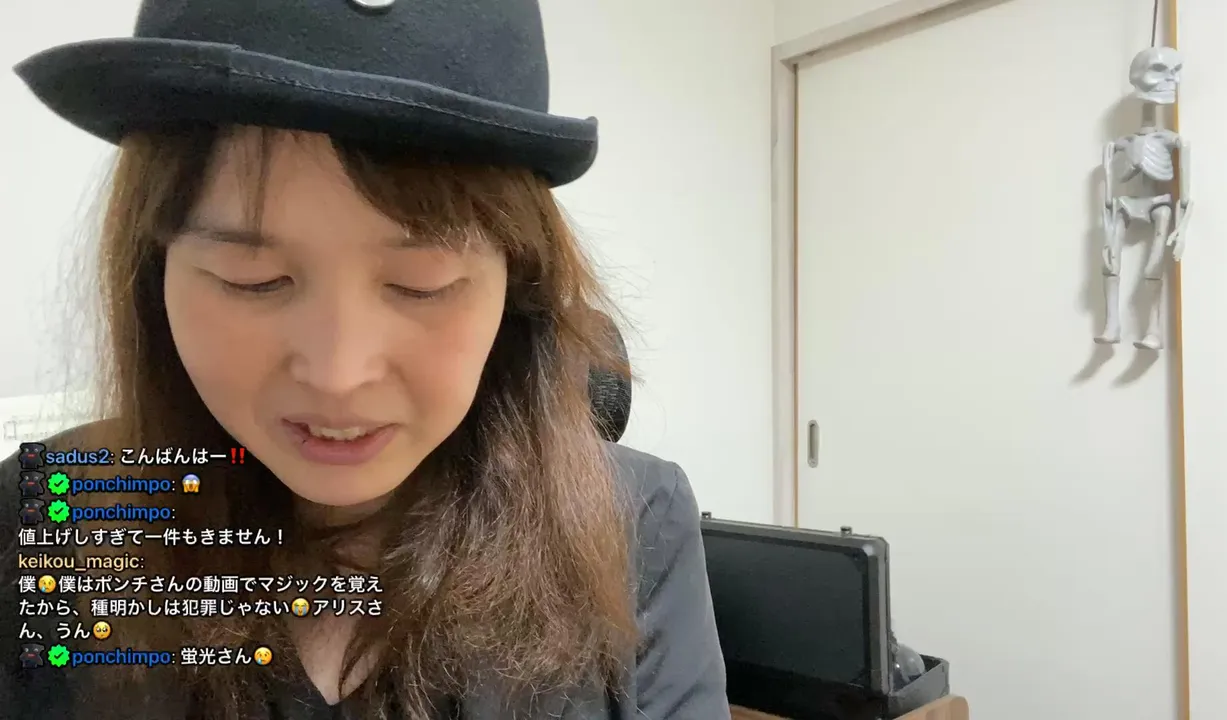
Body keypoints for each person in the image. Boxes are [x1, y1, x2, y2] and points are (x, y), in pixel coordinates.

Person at [0, 0, 729, 718]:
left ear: (517, 287)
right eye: (252, 280)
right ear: (153, 275)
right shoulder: (49, 517)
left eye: (422, 284)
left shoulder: (637, 524)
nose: (339, 374)